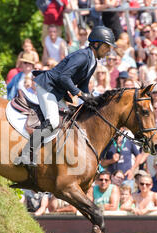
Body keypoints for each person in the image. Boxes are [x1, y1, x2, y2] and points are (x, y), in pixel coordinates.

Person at [14, 25, 116, 167]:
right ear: (96, 44)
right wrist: (80, 94)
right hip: (47, 87)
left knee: (68, 122)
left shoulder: (92, 61)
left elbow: (84, 85)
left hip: (58, 91)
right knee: (53, 122)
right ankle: (25, 154)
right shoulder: (82, 56)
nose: (108, 51)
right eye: (106, 47)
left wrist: (91, 100)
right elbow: (64, 77)